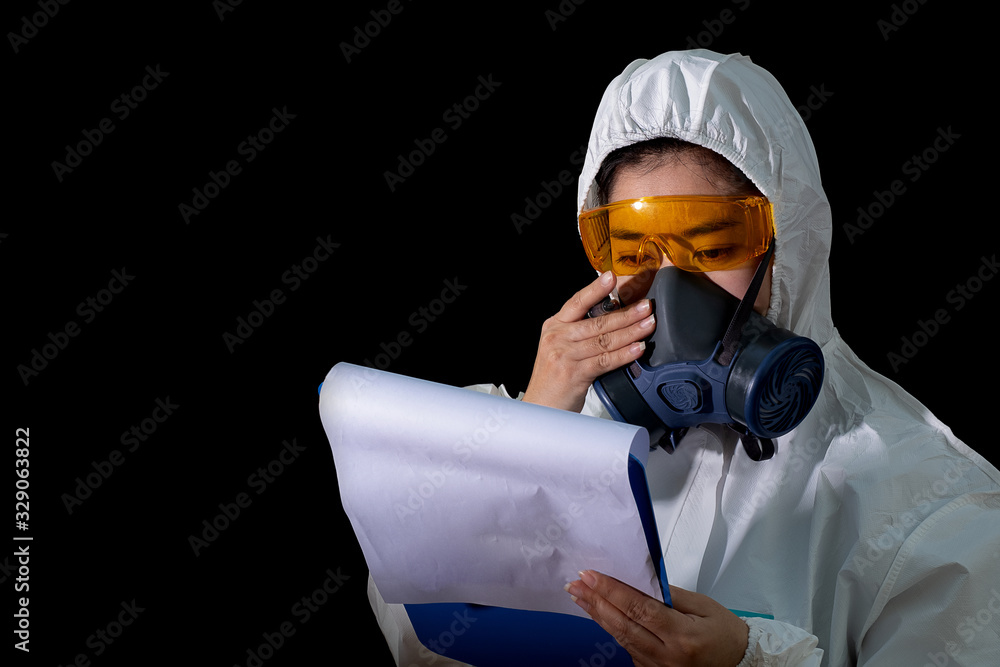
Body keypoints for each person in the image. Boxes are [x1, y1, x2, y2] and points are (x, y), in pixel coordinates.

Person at [368, 50, 1000, 665]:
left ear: (791, 242)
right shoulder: (558, 423)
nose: (669, 290)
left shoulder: (929, 500)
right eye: (636, 252)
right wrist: (527, 439)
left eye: (712, 245)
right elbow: (425, 640)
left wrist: (753, 663)